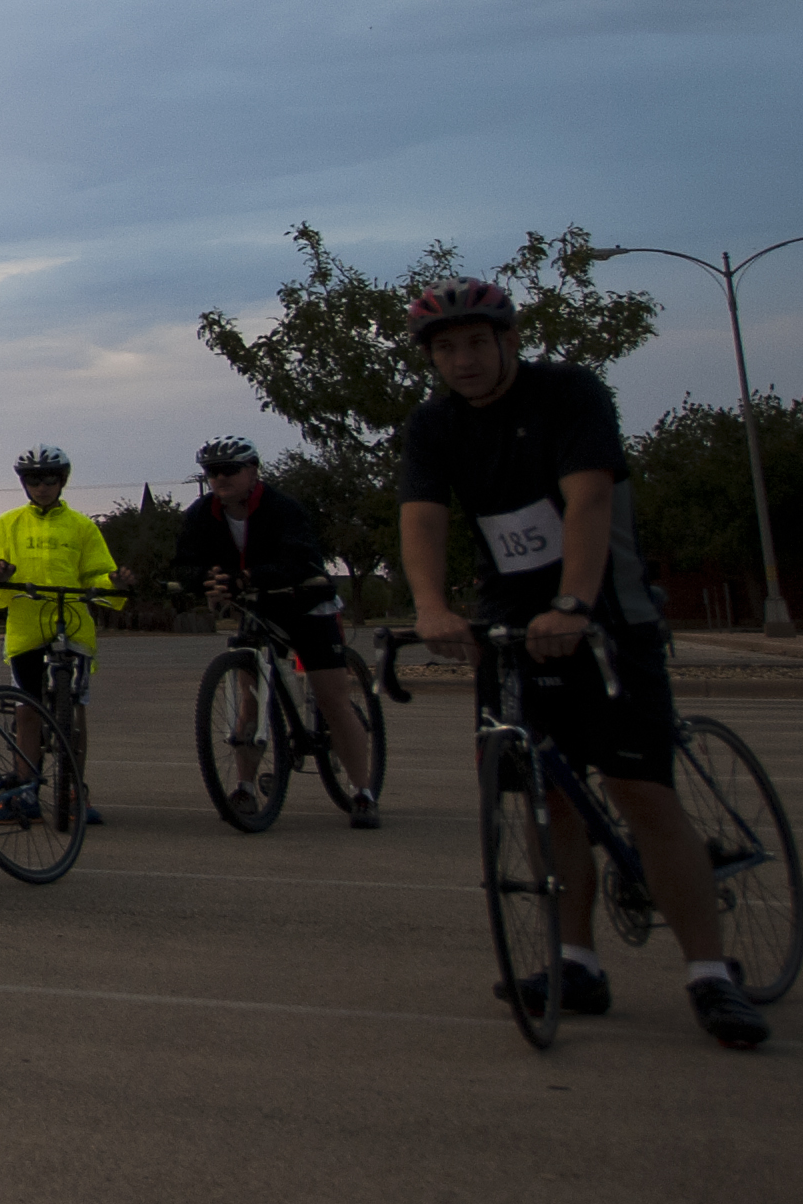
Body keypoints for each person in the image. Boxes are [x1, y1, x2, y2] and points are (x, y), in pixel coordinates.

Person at [396, 276, 765, 1048]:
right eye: (443, 349)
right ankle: (575, 962)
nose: (460, 361)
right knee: (543, 795)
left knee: (639, 791)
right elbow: (422, 519)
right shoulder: (433, 427)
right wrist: (430, 607)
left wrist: (571, 605)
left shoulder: (566, 395)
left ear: (506, 340)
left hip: (603, 613)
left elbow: (587, 502)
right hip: (510, 622)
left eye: (472, 342)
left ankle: (709, 972)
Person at [177, 434, 375, 826]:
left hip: (305, 604)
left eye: (229, 470)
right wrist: (206, 578)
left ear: (252, 471)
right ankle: (246, 787)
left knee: (332, 698)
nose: (219, 479)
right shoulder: (201, 513)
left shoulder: (283, 508)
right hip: (257, 606)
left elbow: (301, 560)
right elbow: (184, 564)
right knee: (248, 699)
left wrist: (248, 576)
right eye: (211, 472)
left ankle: (363, 792)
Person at [0, 443, 126, 827]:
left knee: (74, 713)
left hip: (72, 627)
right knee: (27, 710)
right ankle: (23, 792)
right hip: (27, 631)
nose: (41, 487)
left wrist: (113, 582)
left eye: (49, 480)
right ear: (24, 484)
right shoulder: (8, 524)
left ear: (62, 482)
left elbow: (95, 573)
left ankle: (74, 788)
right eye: (33, 480)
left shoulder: (81, 526)